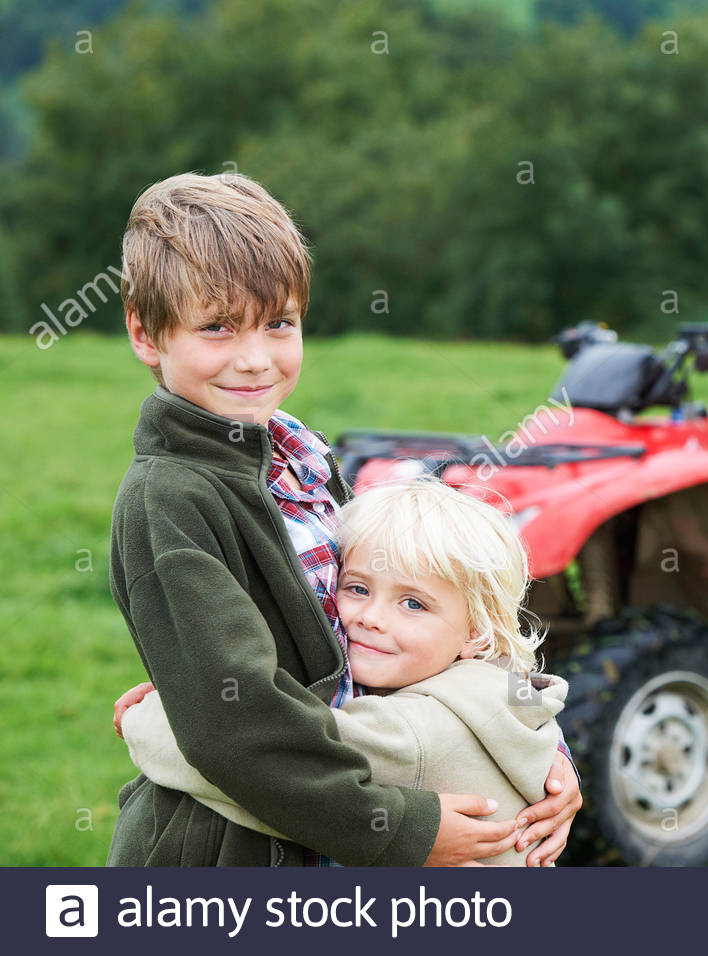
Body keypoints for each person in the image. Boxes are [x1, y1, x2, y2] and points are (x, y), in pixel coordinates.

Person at [106, 172, 580, 867]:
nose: (255, 358)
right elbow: (235, 726)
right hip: (232, 852)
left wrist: (541, 752)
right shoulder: (170, 498)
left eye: (279, 323)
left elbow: (437, 630)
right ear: (147, 335)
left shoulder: (298, 454)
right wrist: (399, 828)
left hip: (341, 818)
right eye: (216, 327)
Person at [121, 478, 567, 866]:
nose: (372, 617)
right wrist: (561, 759)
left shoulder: (413, 730)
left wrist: (152, 715)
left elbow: (267, 771)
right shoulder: (504, 690)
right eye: (357, 588)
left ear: (475, 632)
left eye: (413, 604)